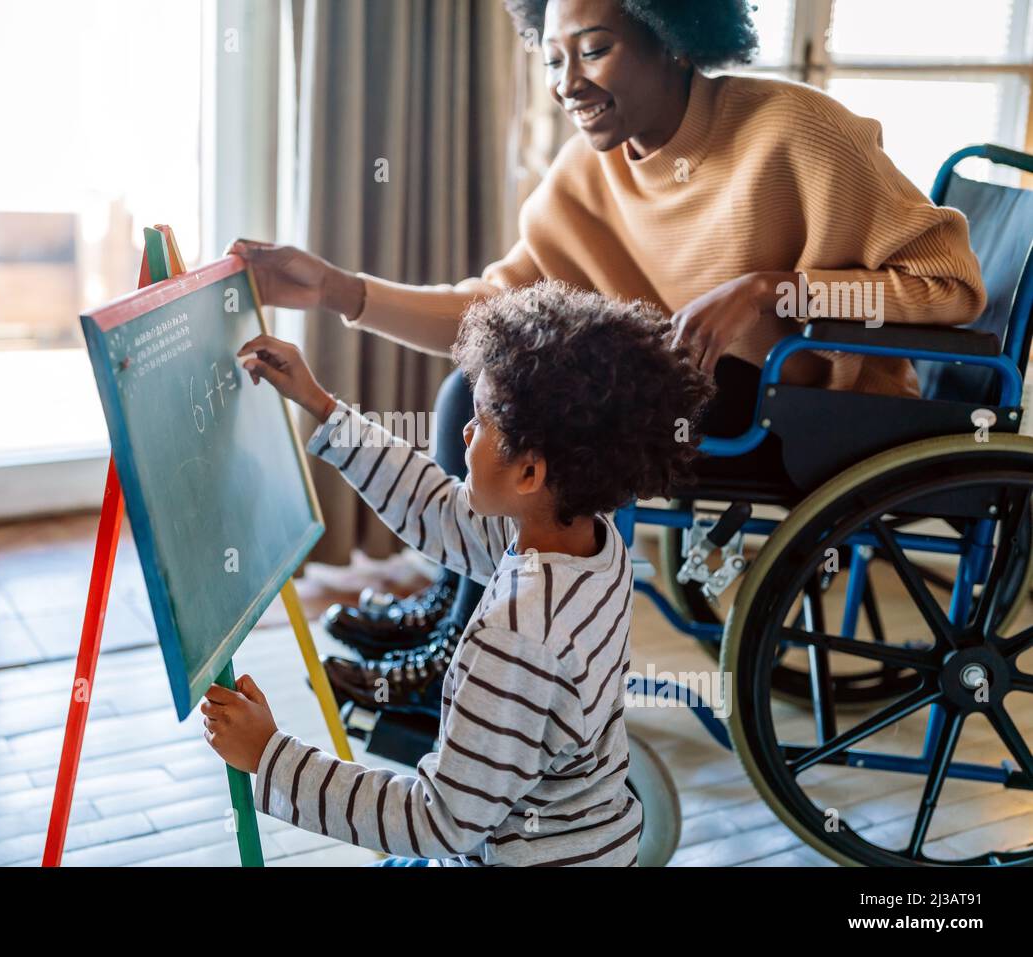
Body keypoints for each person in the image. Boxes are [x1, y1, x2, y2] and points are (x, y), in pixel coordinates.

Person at [227, 0, 985, 684]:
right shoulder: (588, 172)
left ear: (674, 39)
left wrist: (771, 289)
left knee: (522, 400)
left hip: (813, 413)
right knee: (486, 377)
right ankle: (458, 613)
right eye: (554, 58)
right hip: (700, 397)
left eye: (593, 50)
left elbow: (950, 286)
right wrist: (335, 290)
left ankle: (462, 635)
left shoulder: (796, 133)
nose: (567, 82)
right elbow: (486, 310)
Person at [200, 281, 713, 866]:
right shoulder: (587, 541)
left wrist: (269, 756)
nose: (465, 432)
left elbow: (438, 822)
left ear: (528, 474)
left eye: (482, 419)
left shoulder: (518, 636)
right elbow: (440, 511)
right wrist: (321, 405)